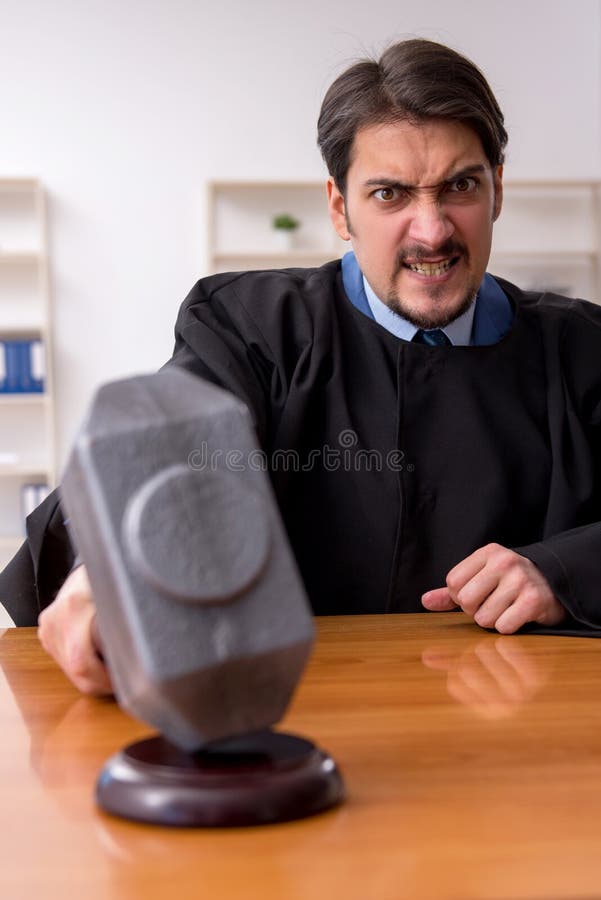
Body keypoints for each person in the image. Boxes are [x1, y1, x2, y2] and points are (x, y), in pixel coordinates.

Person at [2, 38, 601, 697]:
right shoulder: (250, 325)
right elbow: (179, 446)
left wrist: (561, 571)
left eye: (458, 185)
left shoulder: (581, 349)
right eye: (389, 194)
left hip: (524, 740)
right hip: (299, 714)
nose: (430, 231)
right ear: (340, 207)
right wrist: (111, 570)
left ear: (496, 191)